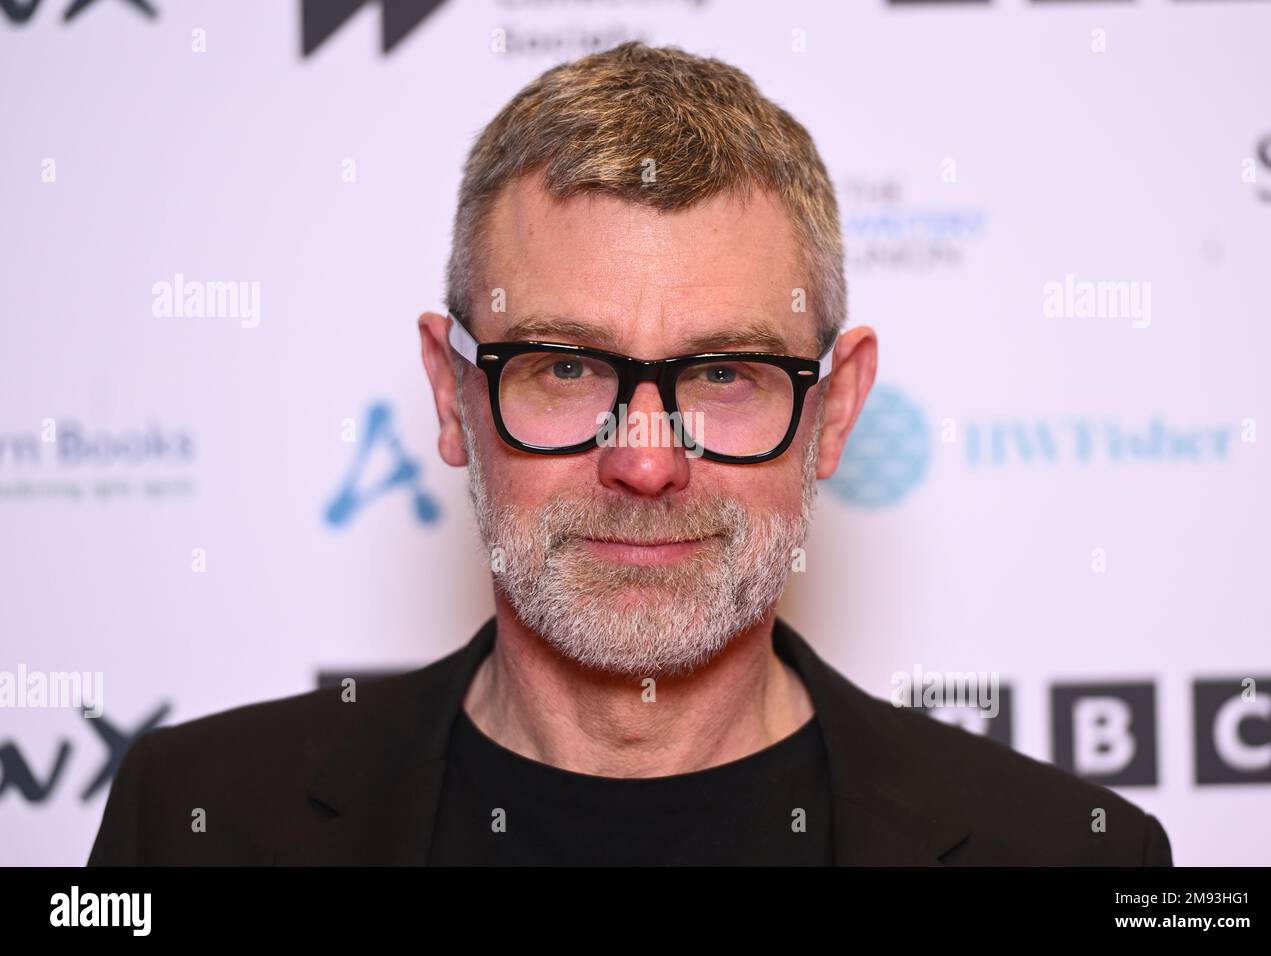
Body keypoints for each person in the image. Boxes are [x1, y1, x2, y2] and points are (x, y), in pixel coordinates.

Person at [88, 41, 1172, 866]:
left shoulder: (1069, 854)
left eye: (722, 375)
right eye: (565, 368)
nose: (645, 464)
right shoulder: (197, 821)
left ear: (834, 410)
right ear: (452, 390)